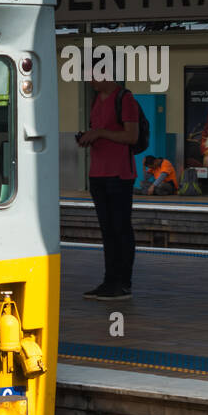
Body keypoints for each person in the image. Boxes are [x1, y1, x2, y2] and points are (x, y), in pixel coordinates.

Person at [77, 69, 139, 300]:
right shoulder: (95, 100)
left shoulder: (126, 99)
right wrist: (89, 137)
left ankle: (123, 283)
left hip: (119, 174)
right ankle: (109, 280)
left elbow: (131, 136)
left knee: (121, 228)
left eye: (93, 75)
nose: (89, 80)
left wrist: (100, 133)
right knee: (107, 231)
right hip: (98, 173)